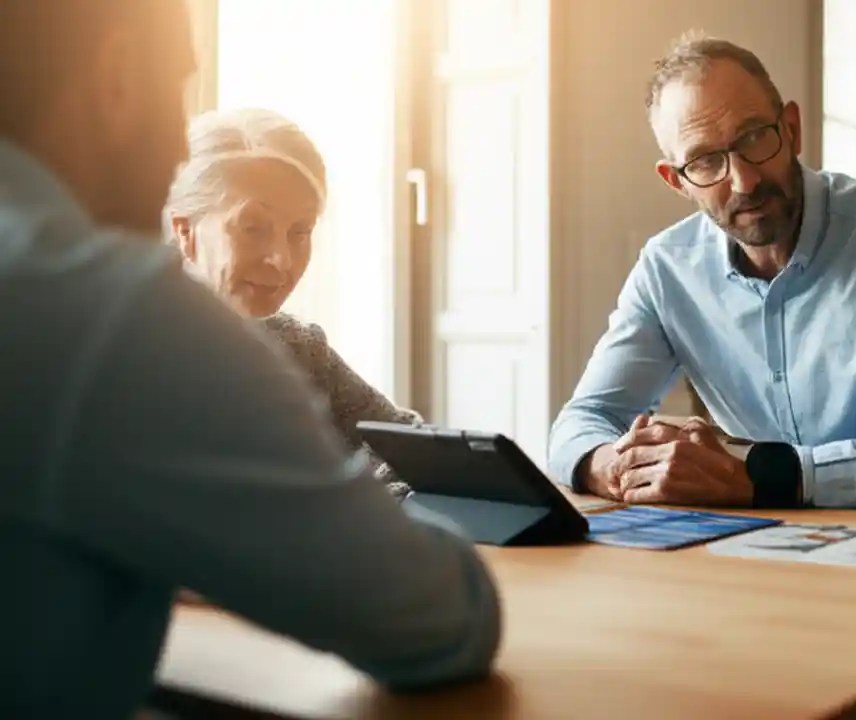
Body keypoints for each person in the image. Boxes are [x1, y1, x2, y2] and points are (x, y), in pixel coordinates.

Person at [0, 2, 499, 717]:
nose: (178, 143)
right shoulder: (105, 310)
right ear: (116, 76)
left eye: (300, 231)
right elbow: (438, 620)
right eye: (178, 89)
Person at [547, 34, 856, 514]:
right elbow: (582, 421)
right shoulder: (668, 268)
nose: (743, 180)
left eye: (755, 138)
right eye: (704, 160)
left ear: (791, 129)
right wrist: (621, 467)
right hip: (760, 549)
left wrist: (754, 478)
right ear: (677, 181)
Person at [167, 107, 420, 496]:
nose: (282, 259)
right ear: (185, 231)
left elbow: (406, 449)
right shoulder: (129, 353)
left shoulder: (299, 347)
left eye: (299, 231)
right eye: (253, 228)